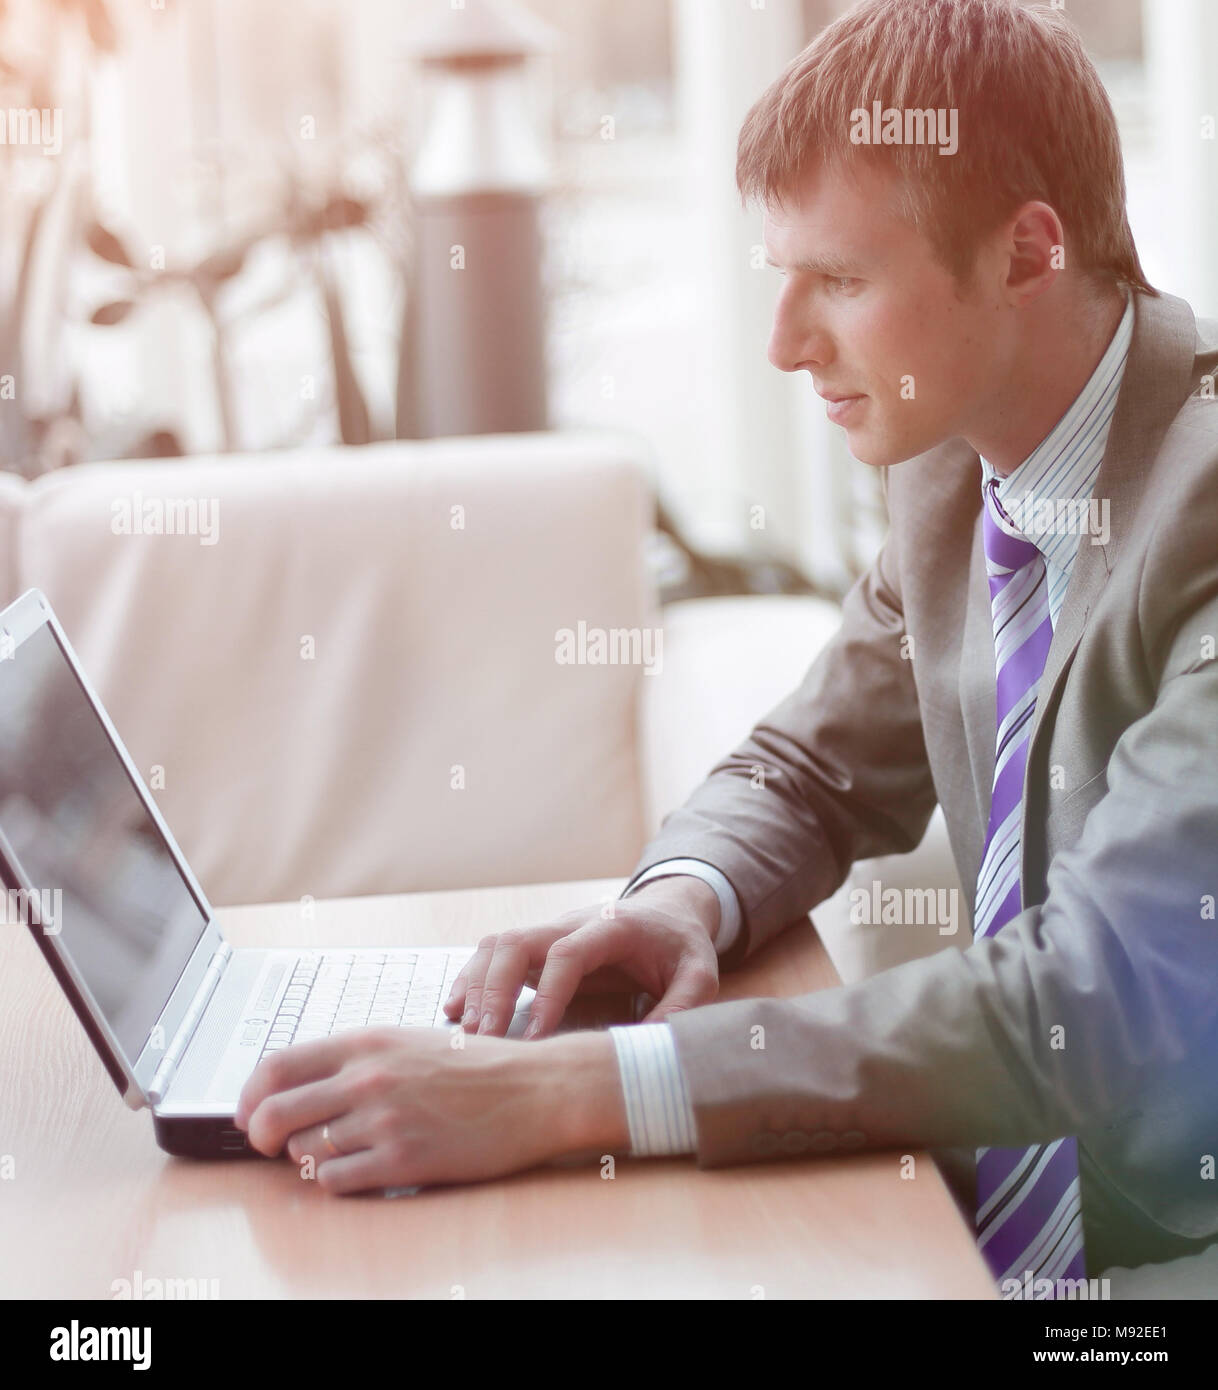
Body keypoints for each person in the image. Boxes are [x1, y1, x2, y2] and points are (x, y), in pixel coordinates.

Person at [235, 0, 1218, 1293]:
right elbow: (808, 767)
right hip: (987, 1198)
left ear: (1027, 250)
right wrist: (672, 902)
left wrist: (567, 1090)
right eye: (781, 280)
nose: (784, 345)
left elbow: (1094, 997)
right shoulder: (954, 471)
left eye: (843, 281)